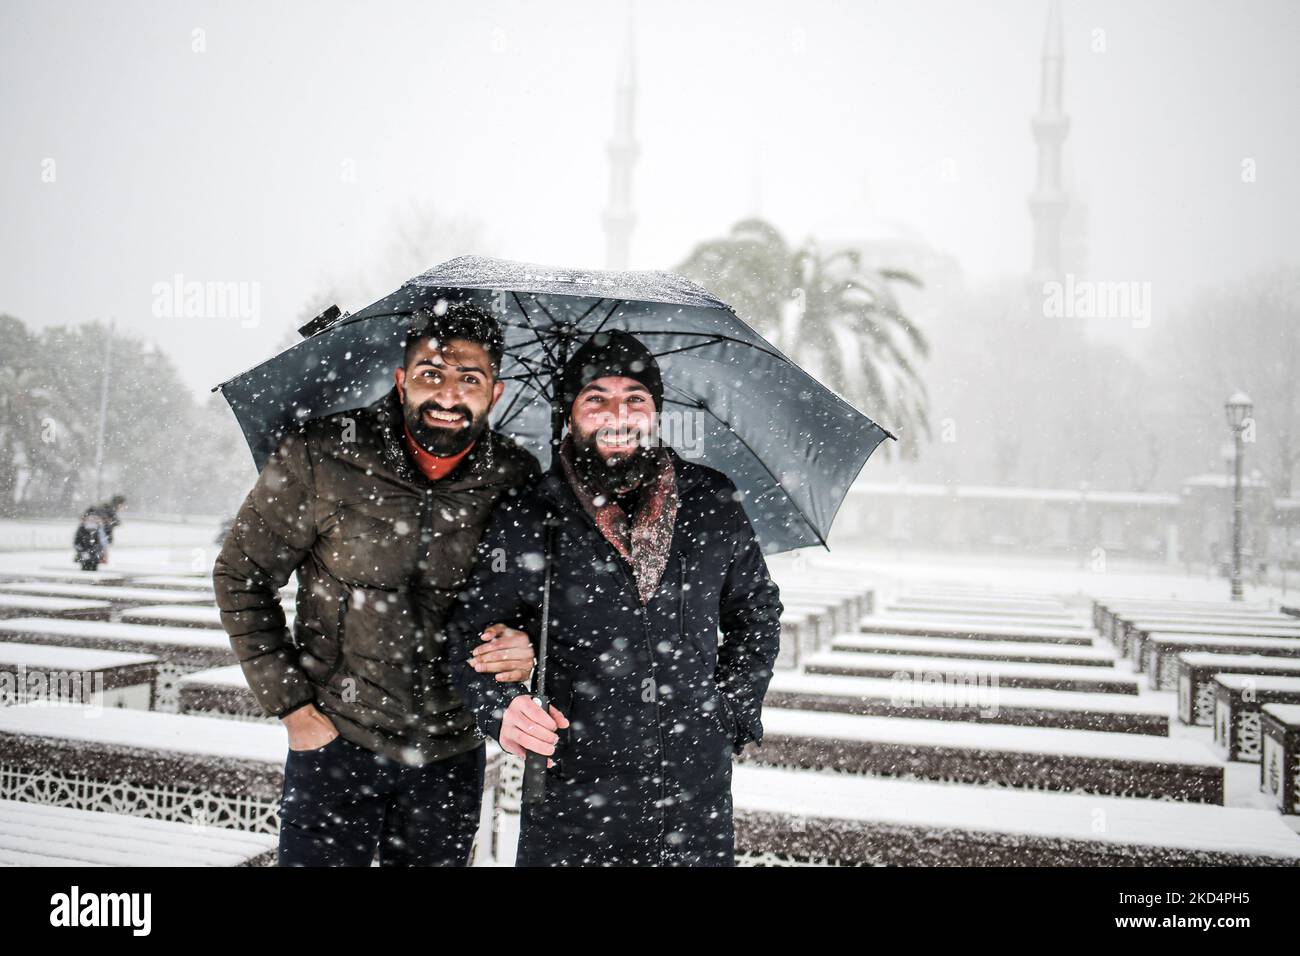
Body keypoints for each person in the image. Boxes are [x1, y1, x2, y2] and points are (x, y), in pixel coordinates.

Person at [213, 303, 541, 866]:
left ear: (496, 393)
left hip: (450, 753)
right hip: (337, 742)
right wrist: (294, 710)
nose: (447, 394)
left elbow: (539, 596)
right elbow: (241, 576)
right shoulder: (323, 452)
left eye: (470, 379)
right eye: (430, 374)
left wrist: (527, 641)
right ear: (400, 380)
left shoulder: (517, 477)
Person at [444, 329, 783, 866]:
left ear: (656, 410)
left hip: (693, 798)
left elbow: (756, 611)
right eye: (595, 399)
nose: (617, 415)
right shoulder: (530, 513)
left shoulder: (711, 500)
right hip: (571, 795)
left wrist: (730, 709)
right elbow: (469, 638)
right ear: (570, 413)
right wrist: (501, 709)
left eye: (635, 399)